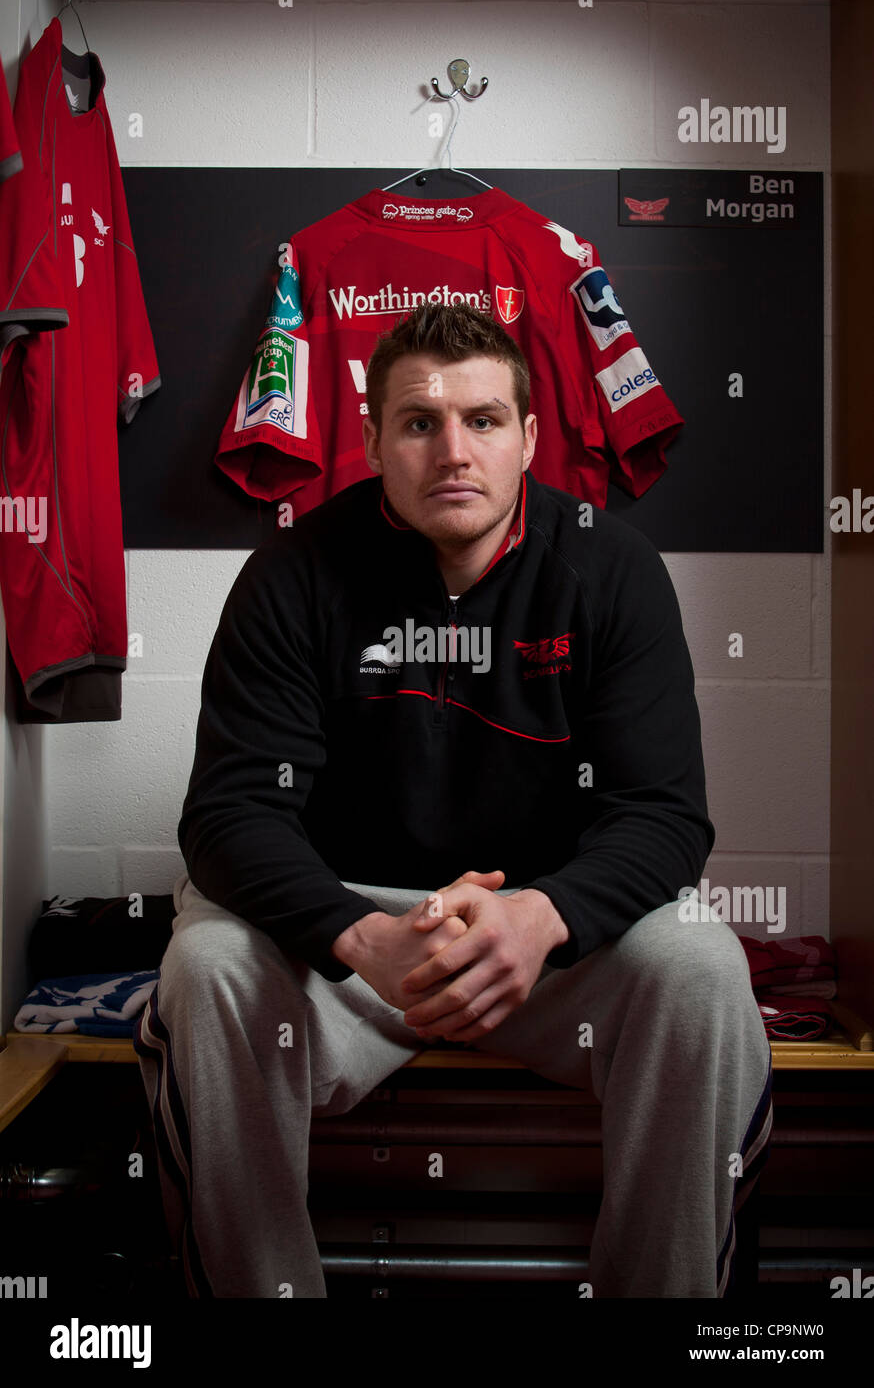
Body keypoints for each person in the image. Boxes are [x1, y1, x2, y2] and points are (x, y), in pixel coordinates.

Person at [133, 303, 774, 1299]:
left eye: (482, 420)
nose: (452, 450)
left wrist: (541, 917)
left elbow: (663, 815)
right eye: (419, 422)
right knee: (206, 958)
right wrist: (356, 935)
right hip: (344, 956)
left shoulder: (613, 569)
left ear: (527, 436)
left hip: (543, 952)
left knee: (698, 960)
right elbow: (230, 815)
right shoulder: (288, 575)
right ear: (372, 439)